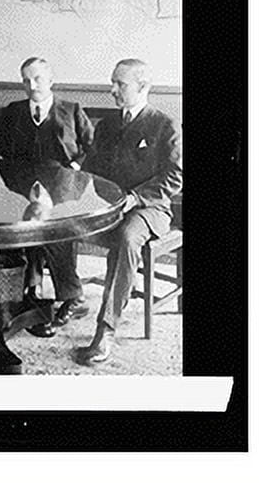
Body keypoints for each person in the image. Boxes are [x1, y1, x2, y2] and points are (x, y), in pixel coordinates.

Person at [76, 58, 182, 363]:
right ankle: (69, 297)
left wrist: (136, 198)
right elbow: (91, 168)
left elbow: (175, 175)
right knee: (63, 225)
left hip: (149, 209)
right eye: (113, 82)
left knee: (126, 237)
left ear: (143, 86)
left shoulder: (164, 125)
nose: (112, 90)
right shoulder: (108, 125)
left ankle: (105, 329)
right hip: (108, 207)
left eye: (119, 84)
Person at [0, 57, 96, 334]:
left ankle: (71, 295)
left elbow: (90, 147)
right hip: (22, 183)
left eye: (37, 78)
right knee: (15, 227)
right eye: (26, 79)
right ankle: (24, 291)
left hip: (61, 182)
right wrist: (7, 172)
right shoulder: (14, 111)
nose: (31, 85)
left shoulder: (71, 110)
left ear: (50, 80)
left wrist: (73, 167)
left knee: (53, 228)